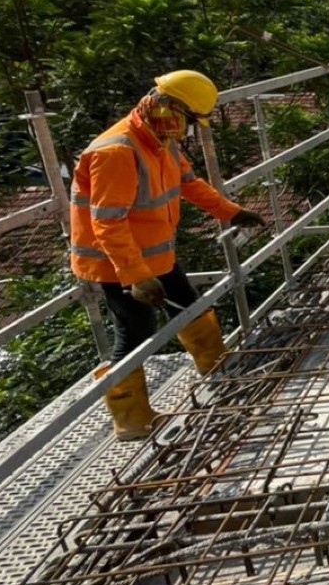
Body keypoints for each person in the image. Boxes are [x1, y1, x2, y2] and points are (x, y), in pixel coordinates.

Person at [70, 70, 266, 440]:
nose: (189, 129)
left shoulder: (161, 140)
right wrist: (135, 275)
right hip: (116, 264)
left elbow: (189, 184)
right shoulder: (117, 151)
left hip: (154, 254)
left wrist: (230, 212)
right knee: (135, 335)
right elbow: (108, 223)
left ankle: (217, 368)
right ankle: (132, 419)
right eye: (189, 120)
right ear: (167, 108)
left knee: (190, 307)